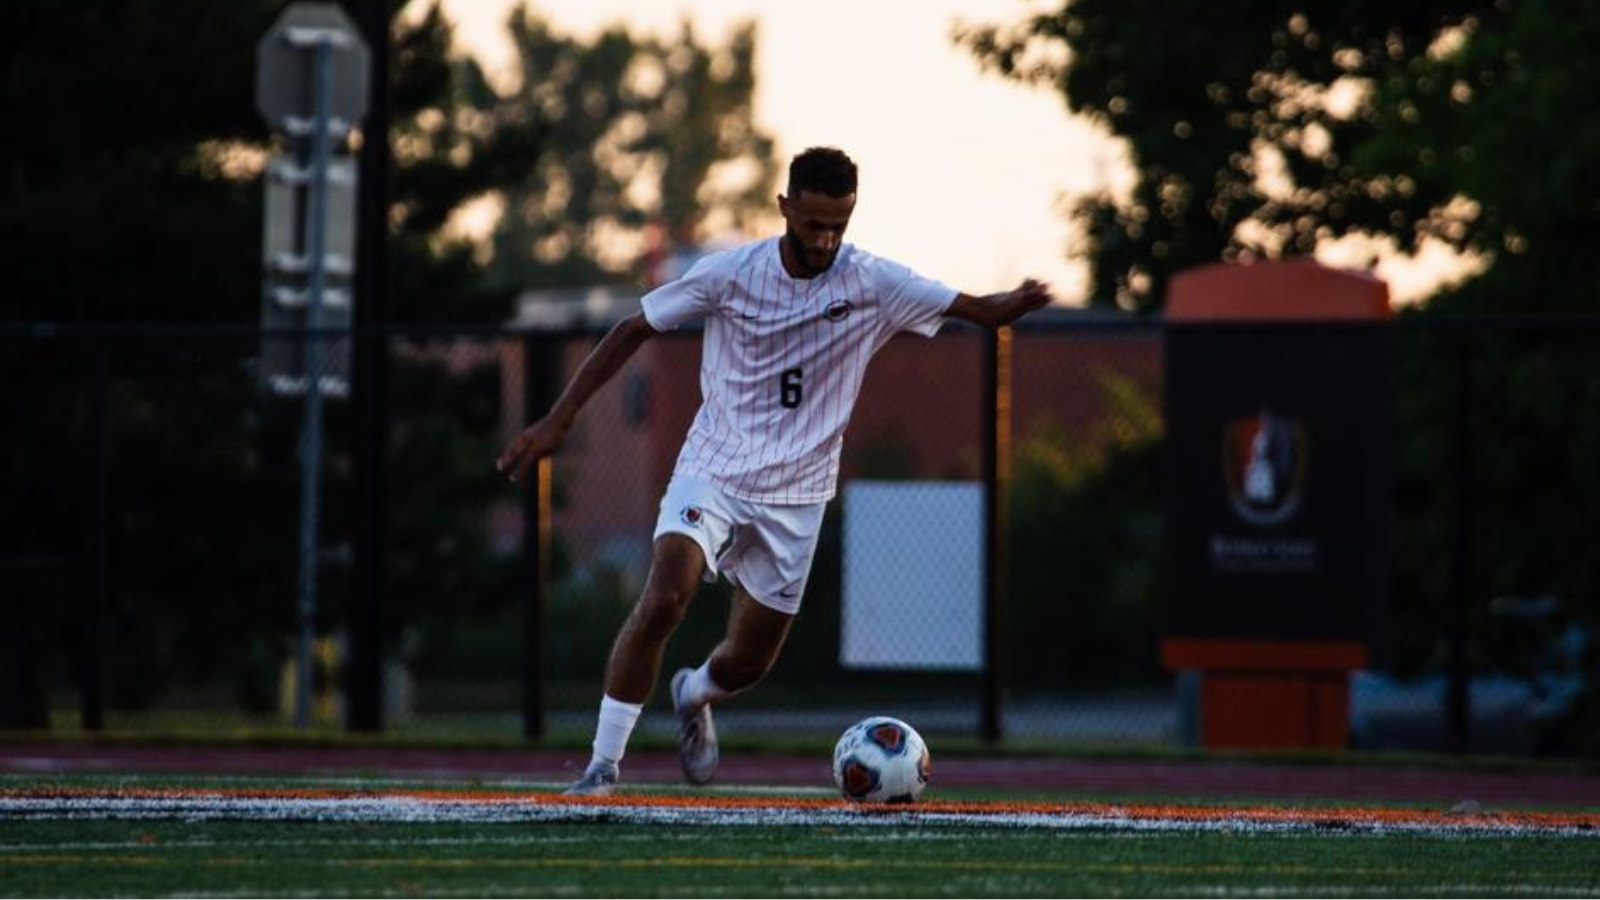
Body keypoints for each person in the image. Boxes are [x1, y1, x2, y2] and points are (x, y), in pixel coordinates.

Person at [496, 147, 1053, 796]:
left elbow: (978, 310)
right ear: (786, 207)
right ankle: (602, 767)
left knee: (746, 664)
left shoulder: (872, 280)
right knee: (667, 593)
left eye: (838, 225)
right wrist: (559, 420)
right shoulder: (731, 274)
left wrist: (1013, 302)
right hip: (715, 469)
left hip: (799, 495)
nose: (825, 239)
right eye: (813, 223)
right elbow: (631, 328)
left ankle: (695, 694)